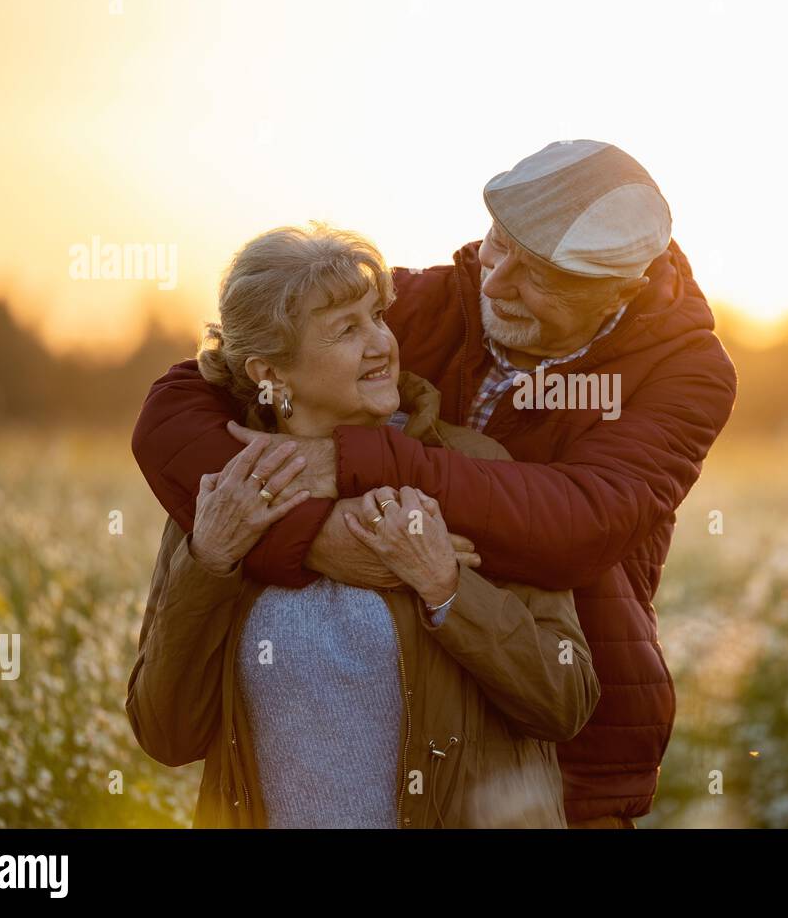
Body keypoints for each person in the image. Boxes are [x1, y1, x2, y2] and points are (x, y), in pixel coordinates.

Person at [132, 140, 738, 827]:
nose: (496, 281)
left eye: (539, 276)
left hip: (578, 760)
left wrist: (362, 468)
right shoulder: (421, 304)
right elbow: (176, 406)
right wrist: (315, 536)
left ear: (621, 290)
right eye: (498, 244)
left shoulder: (686, 372)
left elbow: (579, 523)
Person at [126, 224, 599, 828]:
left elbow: (565, 700)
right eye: (346, 329)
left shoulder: (471, 470)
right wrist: (211, 560)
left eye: (377, 315)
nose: (380, 343)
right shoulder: (225, 498)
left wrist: (447, 587)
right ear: (271, 373)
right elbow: (166, 736)